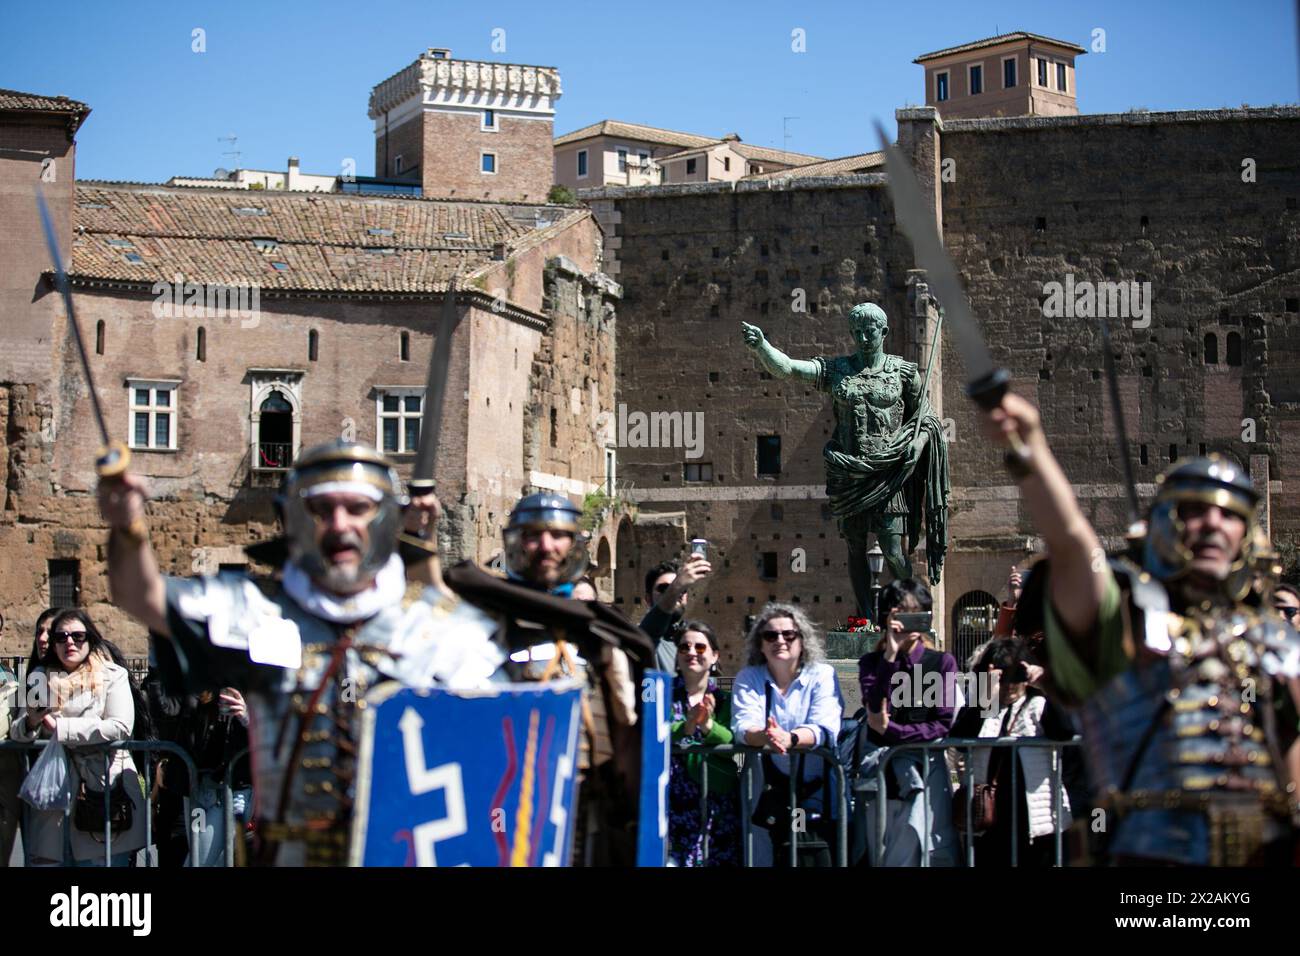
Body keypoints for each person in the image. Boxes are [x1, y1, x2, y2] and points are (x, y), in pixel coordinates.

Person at [99, 440, 503, 866]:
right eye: (321, 509)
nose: (339, 524)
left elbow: (495, 755)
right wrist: (127, 526)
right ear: (294, 517)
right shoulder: (257, 610)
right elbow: (142, 596)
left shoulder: (442, 627)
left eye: (358, 508)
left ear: (386, 518)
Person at [979, 394, 1300, 865]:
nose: (1213, 523)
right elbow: (1071, 544)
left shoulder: (1276, 640)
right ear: (1166, 523)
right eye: (1194, 510)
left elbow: (1292, 771)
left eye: (1230, 513)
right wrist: (1030, 447)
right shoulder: (1129, 619)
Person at [741, 303, 950, 610]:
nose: (863, 338)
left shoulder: (903, 372)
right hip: (849, 473)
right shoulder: (837, 370)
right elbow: (789, 368)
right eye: (857, 332)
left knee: (893, 549)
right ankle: (865, 618)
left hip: (888, 473)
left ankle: (916, 610)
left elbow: (927, 418)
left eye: (870, 331)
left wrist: (918, 444)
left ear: (884, 332)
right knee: (855, 547)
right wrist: (762, 347)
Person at [9, 609, 148, 866]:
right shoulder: (40, 676)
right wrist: (31, 722)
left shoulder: (112, 675)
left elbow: (120, 726)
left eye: (77, 636)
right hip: (54, 796)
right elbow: (18, 731)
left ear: (90, 638)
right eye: (61, 637)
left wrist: (62, 728)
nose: (69, 642)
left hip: (101, 791)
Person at [857, 577, 960, 865]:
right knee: (884, 854)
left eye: (916, 613)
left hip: (926, 772)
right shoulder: (871, 663)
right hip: (883, 777)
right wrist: (890, 656)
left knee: (927, 851)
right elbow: (874, 706)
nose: (909, 621)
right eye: (901, 613)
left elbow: (942, 722)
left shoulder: (941, 663)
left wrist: (893, 731)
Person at [732, 603, 843, 866]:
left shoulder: (822, 675)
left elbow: (825, 726)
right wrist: (766, 737)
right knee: (764, 857)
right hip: (765, 795)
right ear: (760, 644)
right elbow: (743, 726)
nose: (780, 641)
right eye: (770, 635)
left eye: (788, 634)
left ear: (802, 640)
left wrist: (789, 739)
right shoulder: (749, 678)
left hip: (813, 794)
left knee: (806, 856)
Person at [950, 638, 1074, 867]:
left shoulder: (1039, 704)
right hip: (989, 817)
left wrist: (1046, 685)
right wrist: (985, 698)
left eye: (1015, 674)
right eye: (1002, 676)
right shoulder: (984, 706)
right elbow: (959, 739)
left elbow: (1065, 731)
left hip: (1033, 817)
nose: (1009, 684)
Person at [145, 669, 251, 867]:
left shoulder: (245, 679)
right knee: (203, 858)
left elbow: (270, 733)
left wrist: (246, 718)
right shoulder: (196, 683)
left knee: (198, 862)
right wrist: (158, 667)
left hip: (229, 793)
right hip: (197, 794)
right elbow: (165, 712)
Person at [668, 620, 740, 866]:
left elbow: (733, 741)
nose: (691, 652)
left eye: (700, 647)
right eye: (684, 647)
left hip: (715, 810)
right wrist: (687, 725)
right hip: (672, 807)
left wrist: (708, 725)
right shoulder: (661, 695)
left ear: (714, 655)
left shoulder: (725, 700)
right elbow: (654, 731)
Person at [640, 555, 712, 674]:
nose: (677, 593)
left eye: (683, 589)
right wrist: (677, 585)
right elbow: (650, 630)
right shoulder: (644, 637)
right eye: (664, 588)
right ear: (648, 599)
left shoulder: (693, 641)